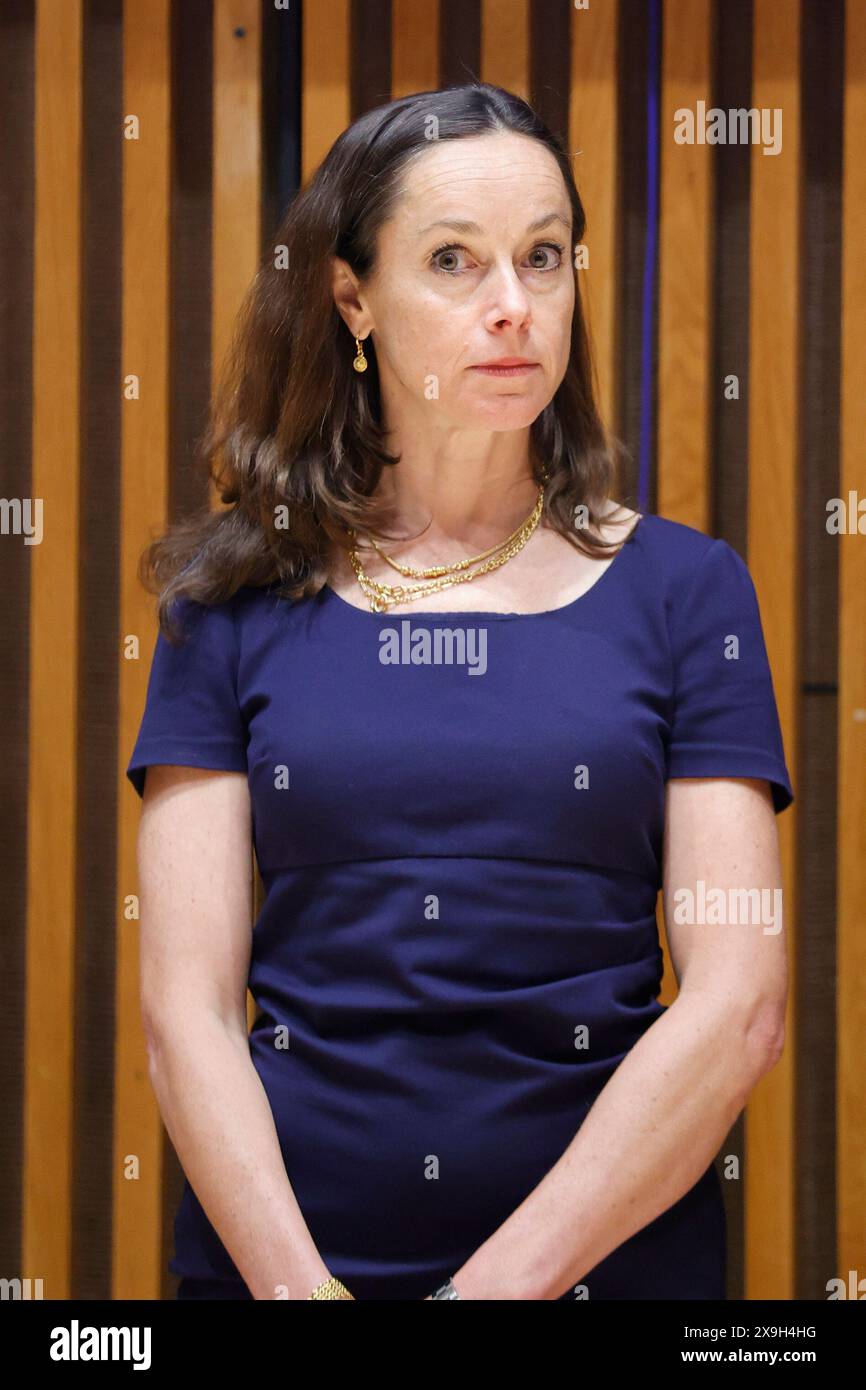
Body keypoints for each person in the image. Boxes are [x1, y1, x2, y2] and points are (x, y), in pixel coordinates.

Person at [127, 82, 794, 1301]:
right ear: (351, 299)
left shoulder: (686, 590)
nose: (512, 306)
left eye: (543, 258)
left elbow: (737, 1002)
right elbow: (186, 1008)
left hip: (605, 1269)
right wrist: (295, 1291)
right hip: (287, 1269)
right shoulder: (227, 599)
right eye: (453, 261)